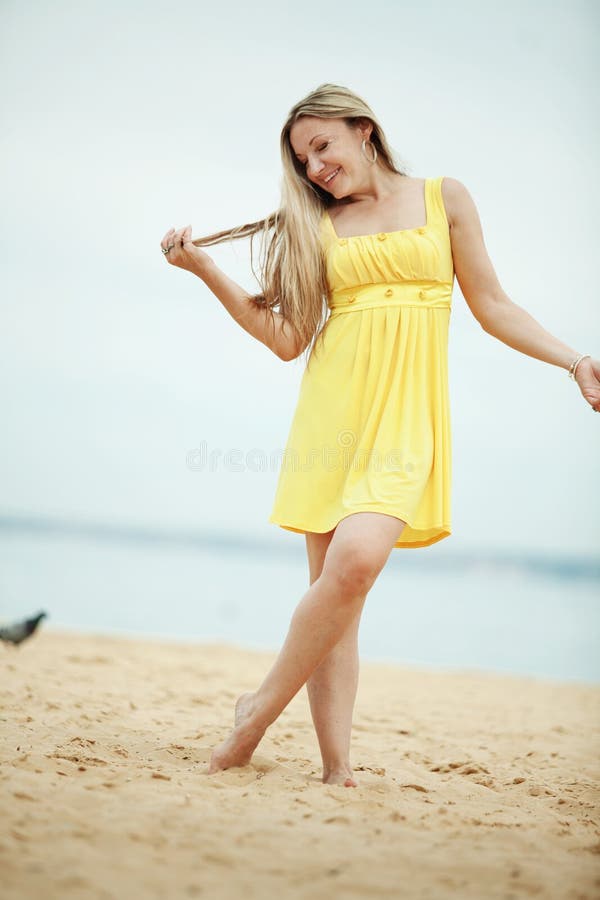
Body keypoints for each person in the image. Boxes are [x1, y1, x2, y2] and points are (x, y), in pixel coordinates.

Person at [160, 83, 600, 787]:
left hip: (406, 420)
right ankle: (336, 769)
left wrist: (574, 360)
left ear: (363, 129)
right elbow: (287, 338)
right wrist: (206, 268)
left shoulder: (444, 198)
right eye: (303, 160)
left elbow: (492, 305)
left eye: (322, 146)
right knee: (337, 594)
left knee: (356, 564)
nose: (314, 168)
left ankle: (256, 710)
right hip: (334, 415)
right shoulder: (316, 224)